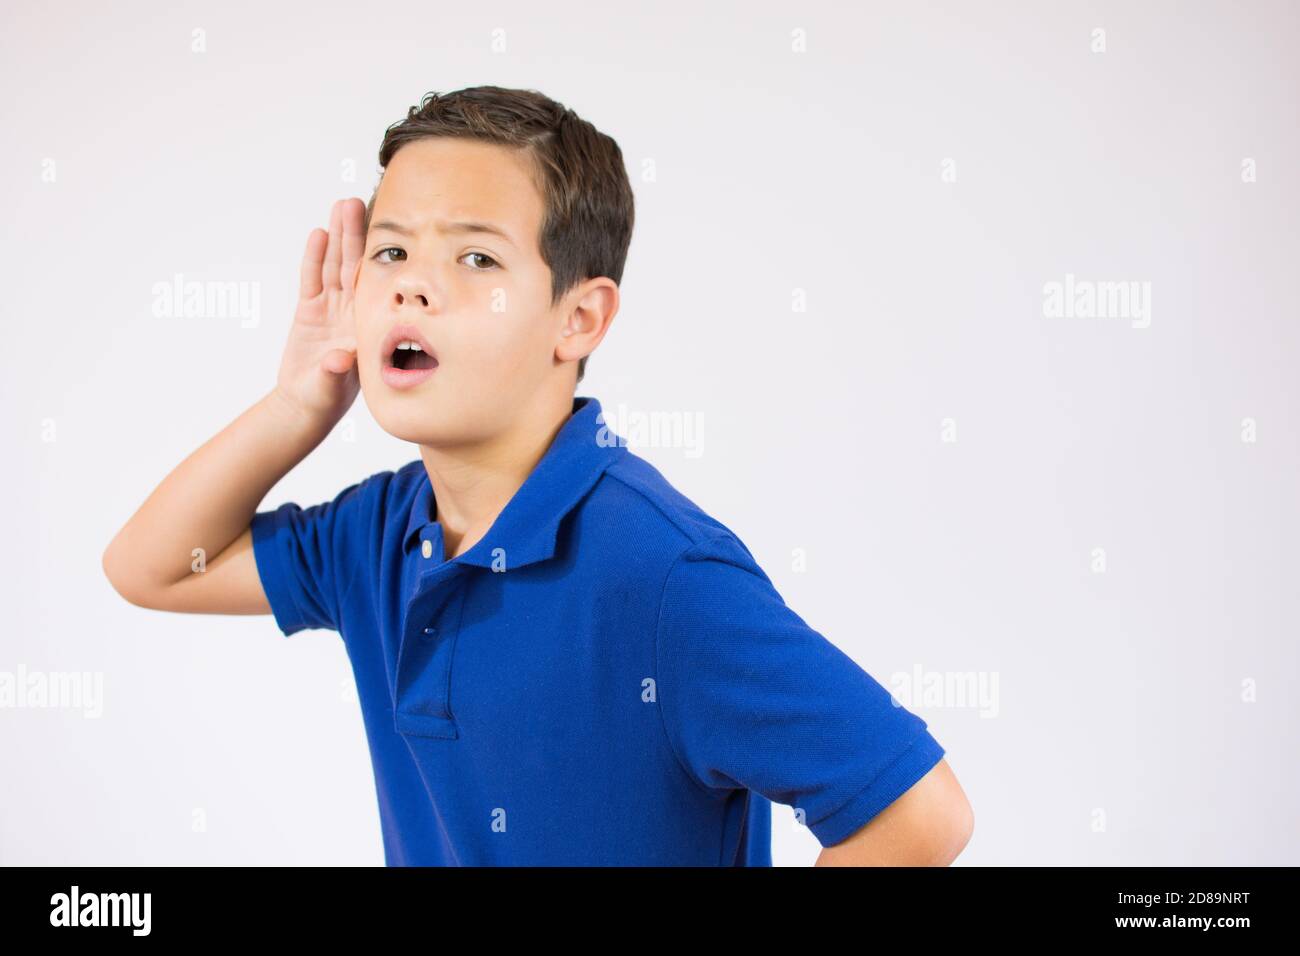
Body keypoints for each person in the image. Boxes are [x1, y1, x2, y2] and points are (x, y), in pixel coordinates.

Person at [103, 85, 973, 866]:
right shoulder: (375, 536)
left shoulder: (662, 576)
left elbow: (920, 816)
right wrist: (296, 407)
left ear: (580, 317)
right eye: (393, 253)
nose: (413, 289)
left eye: (475, 259)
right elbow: (151, 567)